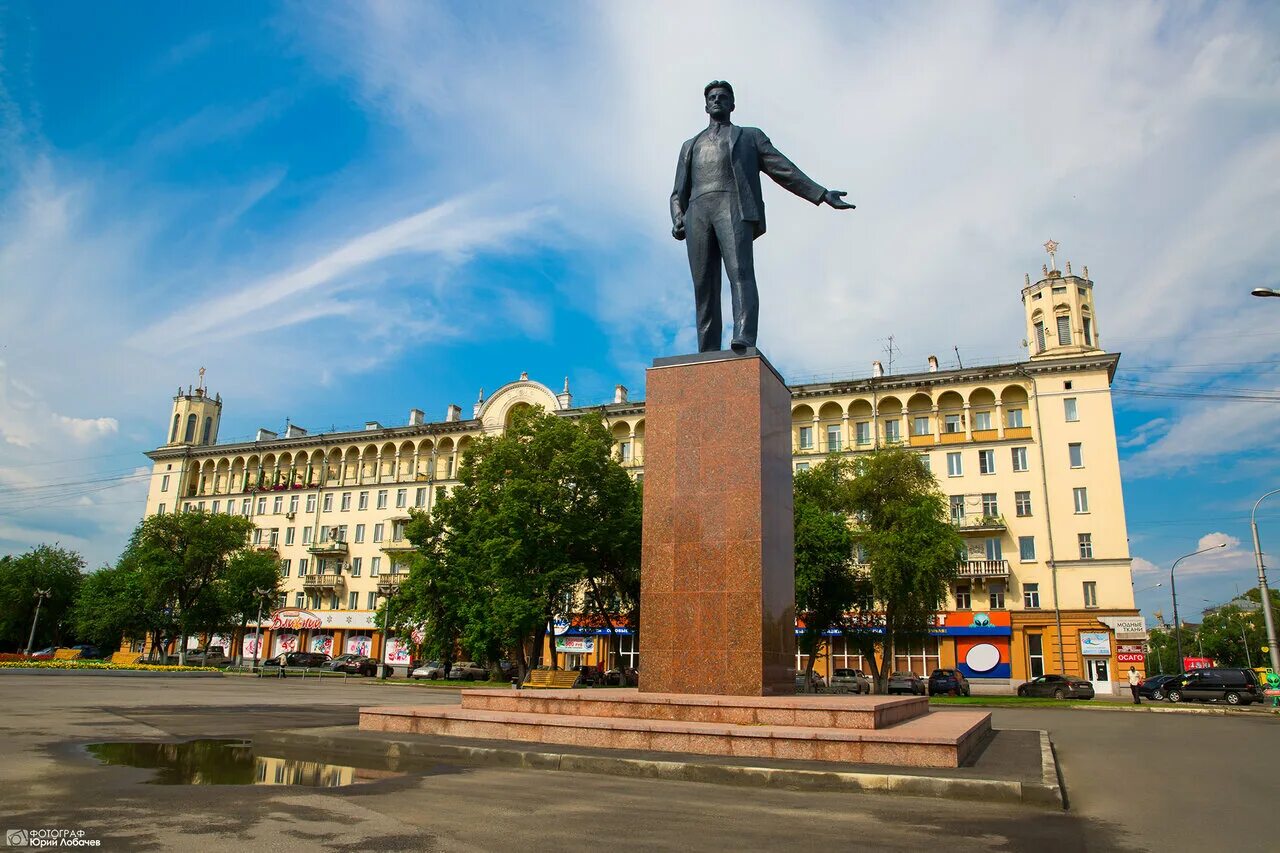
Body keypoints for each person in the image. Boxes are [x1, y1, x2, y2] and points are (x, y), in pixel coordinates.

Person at [671, 81, 855, 353]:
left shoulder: (750, 137)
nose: (717, 100)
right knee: (703, 285)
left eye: (723, 97)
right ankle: (707, 350)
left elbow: (784, 169)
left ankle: (743, 336)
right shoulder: (690, 145)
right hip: (697, 212)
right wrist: (678, 216)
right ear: (706, 106)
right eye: (712, 98)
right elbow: (678, 192)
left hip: (733, 206)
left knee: (740, 273)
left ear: (732, 105)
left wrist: (821, 193)